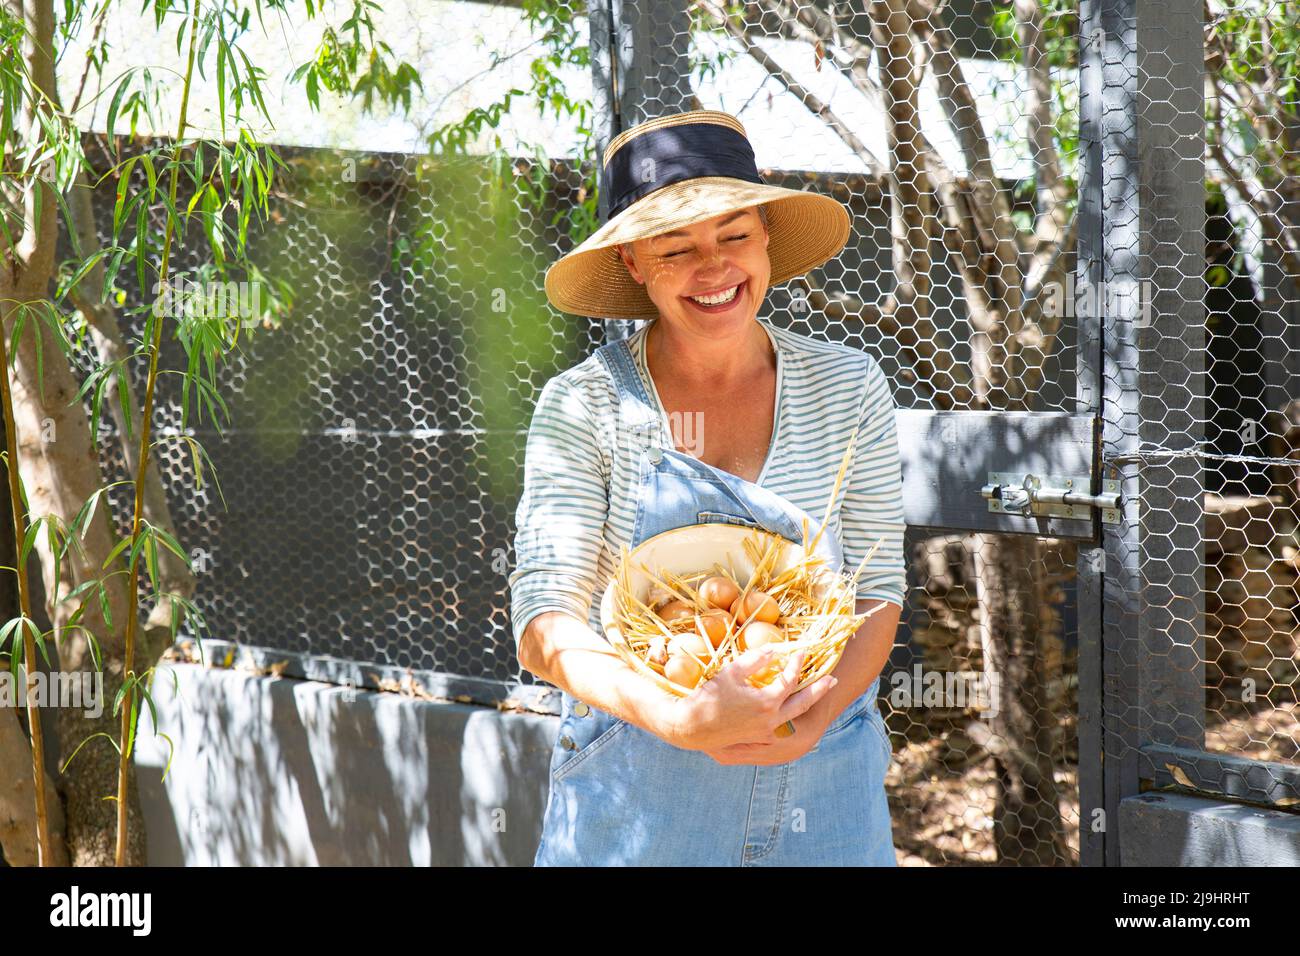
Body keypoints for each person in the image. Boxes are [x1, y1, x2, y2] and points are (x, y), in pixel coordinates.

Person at [509, 109, 906, 866]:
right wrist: (680, 717)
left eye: (733, 236)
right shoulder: (585, 404)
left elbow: (878, 588)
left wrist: (811, 720)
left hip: (824, 787)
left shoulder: (848, 385)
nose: (715, 267)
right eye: (676, 247)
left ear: (764, 239)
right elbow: (543, 619)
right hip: (639, 798)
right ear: (631, 262)